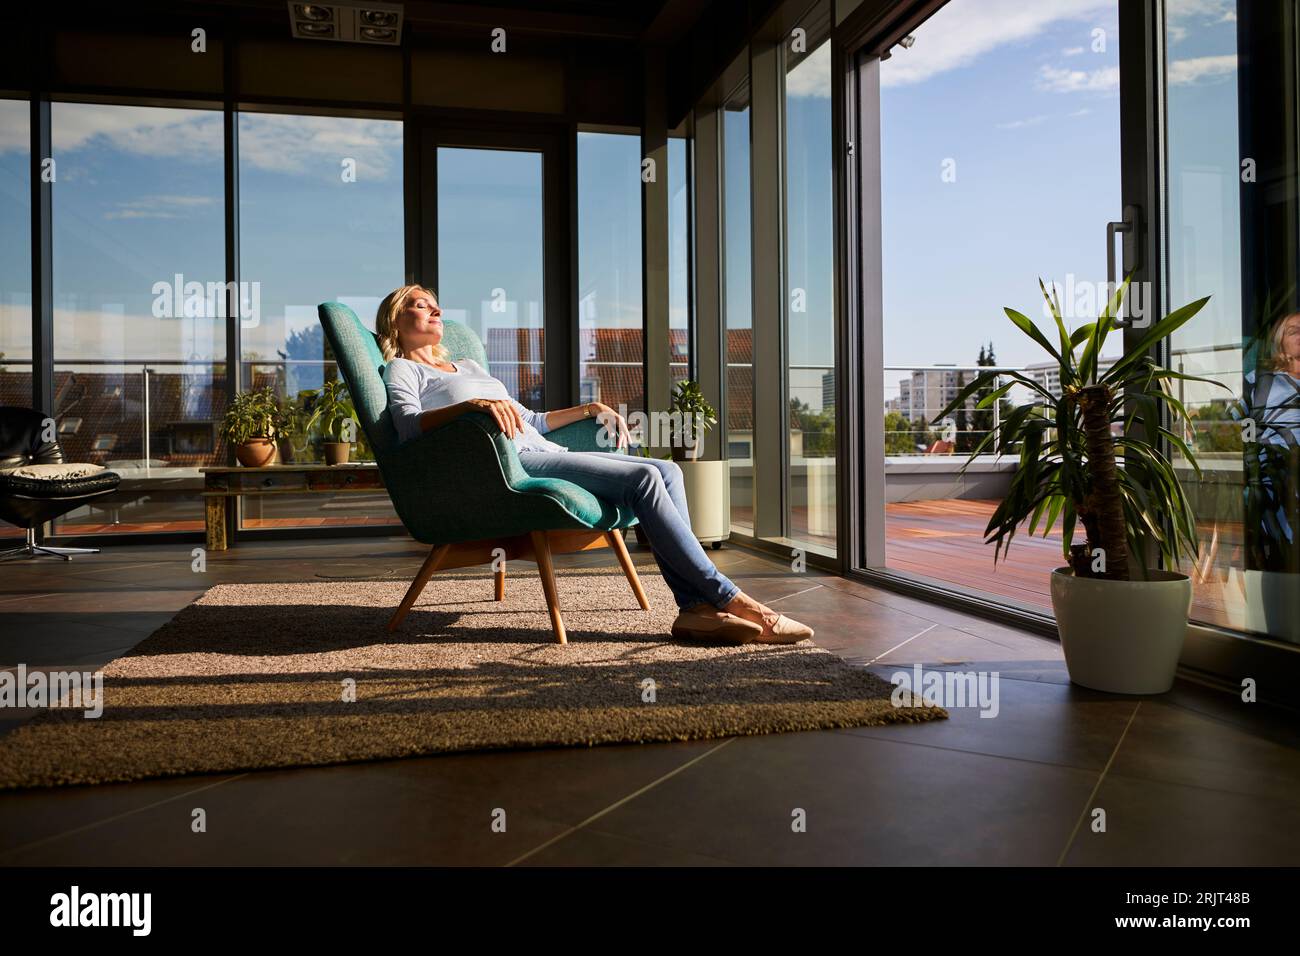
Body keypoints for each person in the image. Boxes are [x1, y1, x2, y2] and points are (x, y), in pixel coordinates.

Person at [376, 284, 813, 644]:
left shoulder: (468, 363)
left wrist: (588, 408)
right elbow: (409, 429)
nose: (436, 310)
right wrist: (470, 406)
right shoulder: (402, 371)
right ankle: (733, 600)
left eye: (436, 304)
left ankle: (694, 610)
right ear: (396, 319)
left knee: (669, 470)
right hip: (512, 468)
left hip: (544, 451)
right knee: (643, 477)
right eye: (421, 305)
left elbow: (532, 420)